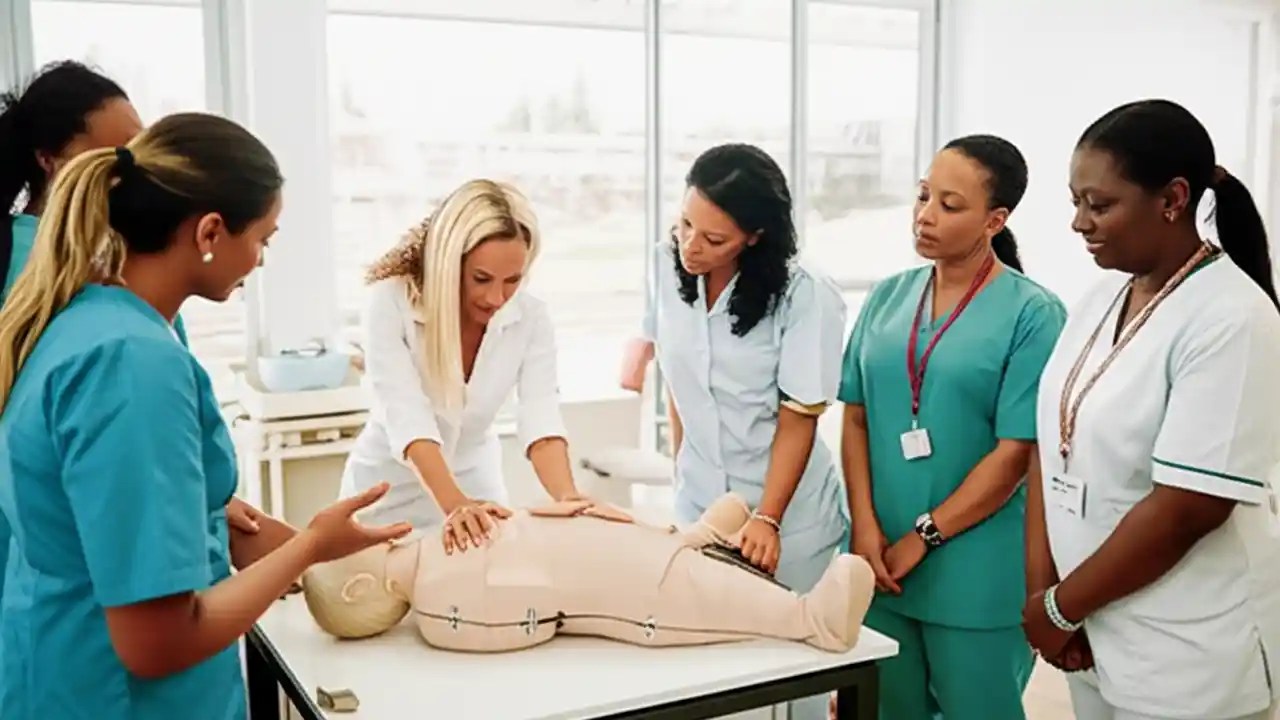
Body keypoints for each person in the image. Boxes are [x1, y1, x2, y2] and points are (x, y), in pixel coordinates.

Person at [0, 112, 411, 720]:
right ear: (211, 231)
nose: (262, 261)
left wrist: (212, 514)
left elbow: (93, 508)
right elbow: (157, 642)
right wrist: (310, 546)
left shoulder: (84, 323)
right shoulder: (132, 365)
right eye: (263, 239)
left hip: (59, 671)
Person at [1024, 99, 1280, 720]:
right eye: (1076, 202)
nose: (1080, 223)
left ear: (1172, 199)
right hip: (1089, 626)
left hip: (1188, 651)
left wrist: (1061, 607)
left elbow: (1189, 507)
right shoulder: (1100, 297)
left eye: (1100, 204)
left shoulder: (1232, 318)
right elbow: (1049, 441)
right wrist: (1046, 592)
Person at [838, 134, 1066, 720]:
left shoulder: (1032, 313)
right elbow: (857, 418)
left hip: (975, 570)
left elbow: (1015, 452)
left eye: (950, 204)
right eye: (922, 196)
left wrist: (925, 536)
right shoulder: (888, 297)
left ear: (996, 219)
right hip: (879, 560)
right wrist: (865, 526)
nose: (925, 216)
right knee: (885, 711)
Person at [0, 59, 207, 602]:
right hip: (74, 564)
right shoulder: (29, 269)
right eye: (115, 156)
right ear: (49, 160)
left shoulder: (136, 268)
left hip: (122, 560)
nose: (134, 172)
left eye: (138, 152)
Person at [301, 492, 875, 655]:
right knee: (676, 585)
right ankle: (810, 619)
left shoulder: (442, 536)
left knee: (653, 545)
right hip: (615, 587)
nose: (362, 533)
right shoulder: (437, 610)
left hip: (589, 546)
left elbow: (510, 522)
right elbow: (528, 622)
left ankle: (698, 540)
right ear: (359, 586)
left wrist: (547, 512)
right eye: (344, 547)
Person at [339, 179, 587, 552]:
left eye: (513, 280)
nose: (496, 297)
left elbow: (541, 416)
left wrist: (569, 500)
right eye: (481, 279)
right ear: (448, 262)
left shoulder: (531, 317)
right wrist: (454, 505)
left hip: (477, 487)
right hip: (387, 494)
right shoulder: (390, 301)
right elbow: (407, 415)